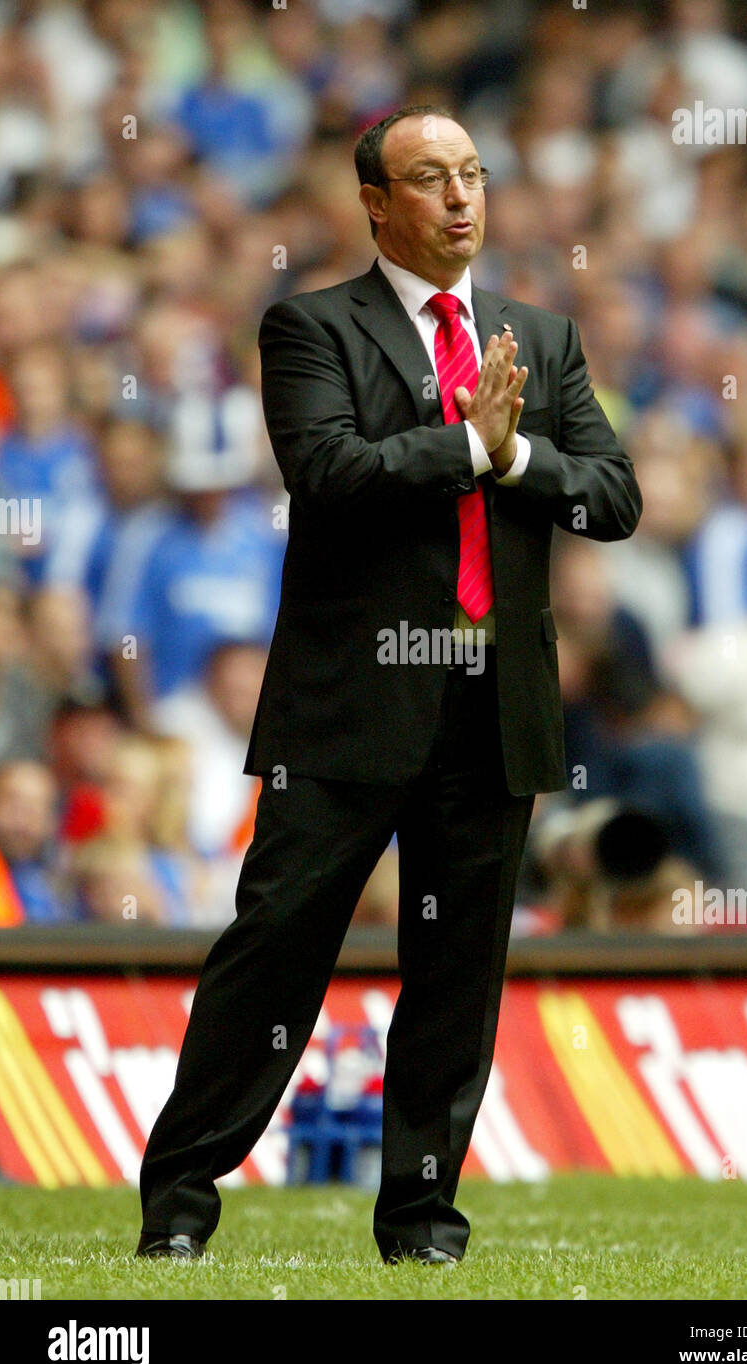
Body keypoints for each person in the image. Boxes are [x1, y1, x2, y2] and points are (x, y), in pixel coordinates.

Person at [136, 104, 641, 1266]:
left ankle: (419, 1222)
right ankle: (178, 1202)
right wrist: (465, 447)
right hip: (347, 705)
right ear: (376, 203)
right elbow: (328, 474)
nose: (461, 196)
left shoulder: (539, 336)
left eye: (472, 173)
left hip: (492, 703)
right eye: (430, 178)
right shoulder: (308, 326)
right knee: (273, 948)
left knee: (455, 977)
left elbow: (609, 500)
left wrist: (514, 457)